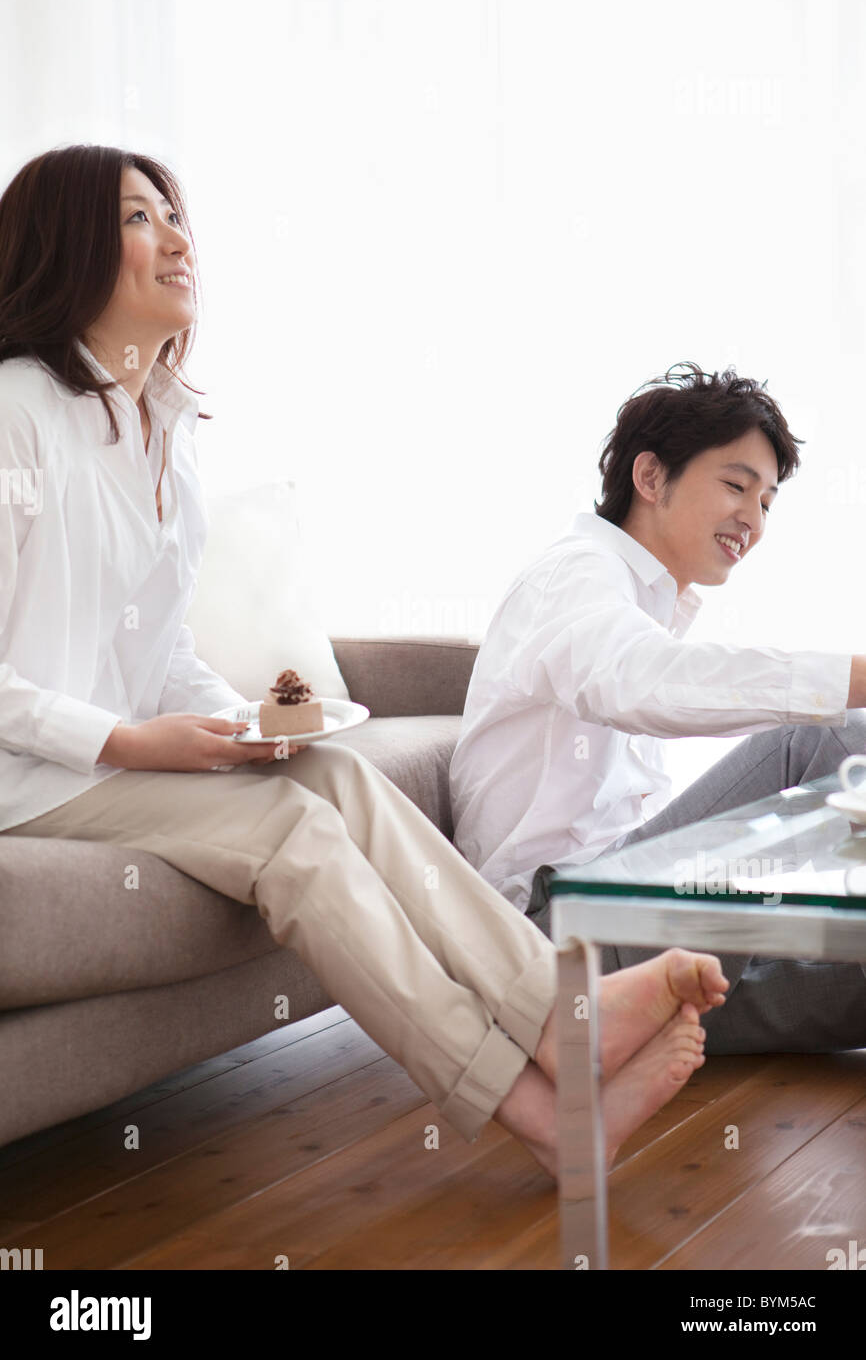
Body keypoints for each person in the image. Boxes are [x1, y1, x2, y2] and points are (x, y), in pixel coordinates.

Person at [0, 144, 729, 1186]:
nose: (175, 237)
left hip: (111, 766)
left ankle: (565, 1015)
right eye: (135, 218)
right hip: (30, 780)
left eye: (175, 214)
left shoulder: (164, 432)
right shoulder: (15, 412)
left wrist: (248, 723)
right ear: (66, 247)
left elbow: (155, 651)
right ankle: (539, 1107)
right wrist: (123, 739)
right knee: (290, 828)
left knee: (332, 773)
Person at [449, 362, 866, 1055]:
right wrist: (853, 677)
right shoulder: (576, 574)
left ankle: (620, 1024)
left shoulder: (648, 605)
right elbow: (639, 682)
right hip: (550, 934)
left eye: (765, 501)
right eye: (736, 485)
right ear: (650, 478)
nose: (753, 520)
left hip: (601, 964)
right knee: (818, 738)